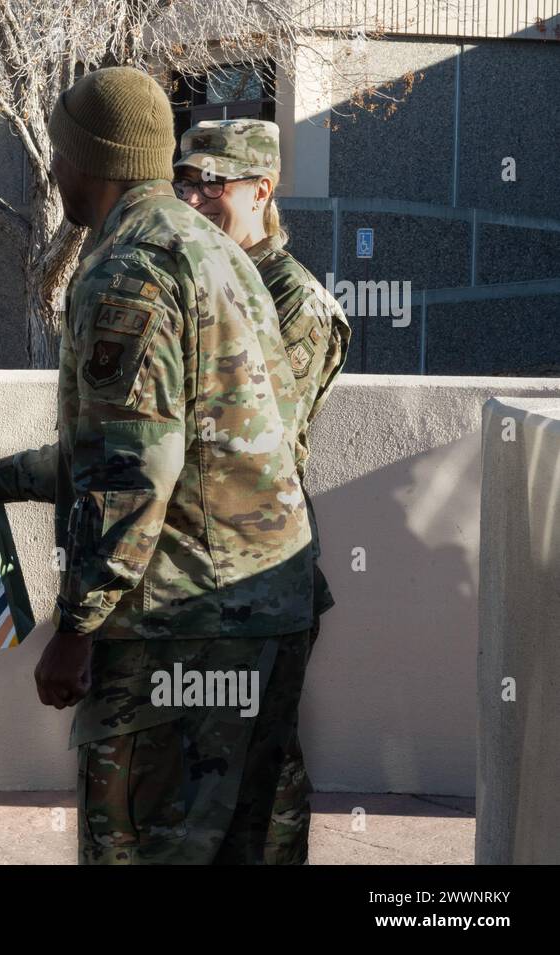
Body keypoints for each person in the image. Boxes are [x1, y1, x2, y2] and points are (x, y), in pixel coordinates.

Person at [0, 67, 315, 864]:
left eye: (59, 157)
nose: (53, 173)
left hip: (180, 627)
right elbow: (181, 439)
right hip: (266, 612)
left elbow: (133, 471)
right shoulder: (219, 252)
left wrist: (75, 629)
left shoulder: (126, 268)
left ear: (88, 162)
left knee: (142, 845)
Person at [173, 118, 351, 862]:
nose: (196, 195)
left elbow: (252, 436)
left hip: (262, 575)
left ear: (262, 189)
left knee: (265, 774)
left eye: (215, 182)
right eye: (186, 181)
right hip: (205, 572)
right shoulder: (208, 280)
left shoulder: (294, 301)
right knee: (203, 775)